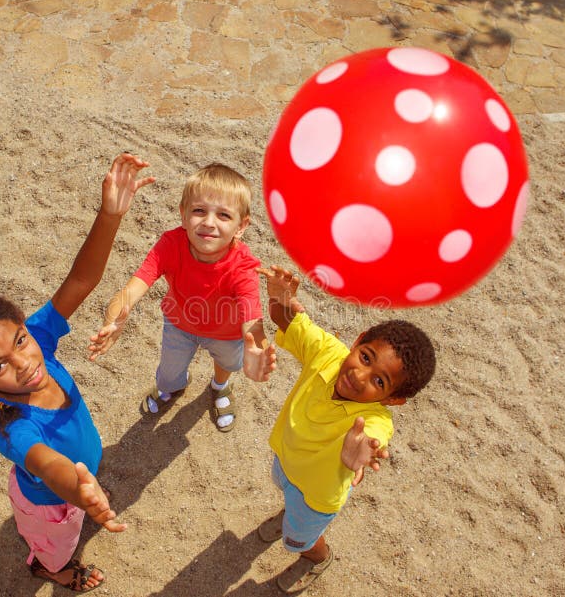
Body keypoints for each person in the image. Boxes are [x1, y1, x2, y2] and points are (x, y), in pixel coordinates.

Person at [0, 154, 155, 593]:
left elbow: (80, 281)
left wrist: (110, 215)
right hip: (51, 506)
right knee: (56, 546)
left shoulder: (40, 339)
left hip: (78, 487)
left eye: (20, 341)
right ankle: (50, 569)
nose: (24, 363)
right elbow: (47, 465)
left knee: (76, 509)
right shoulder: (9, 425)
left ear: (23, 327)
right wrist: (79, 491)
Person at [253, 265, 436, 594]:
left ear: (392, 399)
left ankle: (318, 557)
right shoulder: (327, 352)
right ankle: (289, 515)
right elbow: (286, 321)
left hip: (316, 498)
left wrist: (363, 449)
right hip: (285, 461)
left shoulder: (376, 419)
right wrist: (281, 300)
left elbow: (373, 438)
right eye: (365, 357)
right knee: (286, 495)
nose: (359, 376)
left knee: (299, 540)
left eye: (379, 381)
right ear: (357, 341)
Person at [88, 162, 275, 432]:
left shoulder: (243, 267)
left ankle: (219, 385)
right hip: (179, 325)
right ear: (183, 215)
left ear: (241, 226)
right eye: (199, 211)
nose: (208, 222)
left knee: (227, 363)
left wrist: (256, 348)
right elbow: (134, 287)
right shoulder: (170, 245)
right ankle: (173, 386)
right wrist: (113, 318)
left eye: (224, 215)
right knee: (168, 373)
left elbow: (252, 318)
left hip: (227, 333)